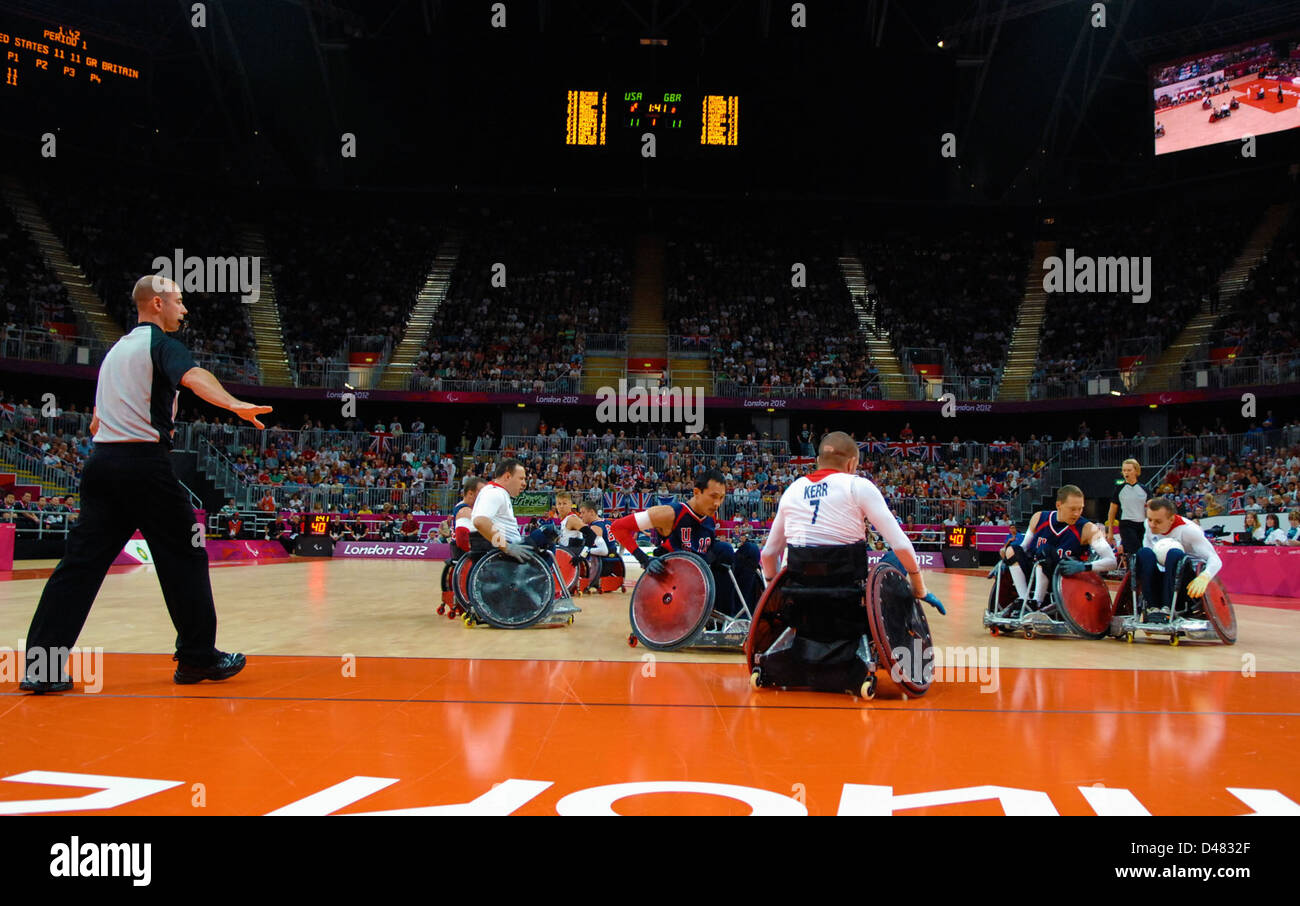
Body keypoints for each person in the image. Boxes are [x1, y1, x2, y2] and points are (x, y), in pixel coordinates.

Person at [20, 275, 272, 693]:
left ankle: (41, 667)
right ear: (157, 304)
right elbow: (193, 376)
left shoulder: (115, 353)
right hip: (144, 465)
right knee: (187, 556)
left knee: (79, 567)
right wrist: (233, 403)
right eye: (179, 301)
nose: (184, 309)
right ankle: (196, 659)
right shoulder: (161, 346)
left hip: (102, 464)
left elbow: (98, 421)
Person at [760, 432, 944, 611]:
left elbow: (768, 554)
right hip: (849, 598)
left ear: (818, 461)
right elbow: (902, 546)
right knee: (897, 558)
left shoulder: (792, 490)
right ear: (852, 463)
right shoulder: (858, 486)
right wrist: (920, 589)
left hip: (800, 597)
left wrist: (774, 592)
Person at [610, 468, 754, 617]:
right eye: (713, 496)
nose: (718, 503)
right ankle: (724, 617)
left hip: (702, 574)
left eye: (722, 497)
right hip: (676, 579)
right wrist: (644, 560)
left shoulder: (710, 517)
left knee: (750, 551)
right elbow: (618, 527)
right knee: (724, 549)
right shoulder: (669, 513)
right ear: (697, 492)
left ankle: (740, 618)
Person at [1001, 484, 1116, 610]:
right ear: (1058, 505)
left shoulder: (1088, 528)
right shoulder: (1039, 518)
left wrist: (1085, 566)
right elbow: (1023, 547)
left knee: (1044, 551)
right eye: (1072, 509)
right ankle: (1025, 601)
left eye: (1080, 509)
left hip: (1062, 578)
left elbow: (1112, 561)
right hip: (1032, 575)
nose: (1077, 513)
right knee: (1012, 549)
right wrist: (1007, 557)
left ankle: (1037, 602)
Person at [1137, 497, 1222, 618]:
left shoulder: (1189, 530)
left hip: (1185, 580)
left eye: (1158, 521)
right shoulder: (1149, 525)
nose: (1152, 525)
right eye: (1150, 519)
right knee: (1144, 553)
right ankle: (1152, 607)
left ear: (1171, 519)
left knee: (1174, 554)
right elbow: (1149, 551)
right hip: (1162, 574)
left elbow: (1215, 559)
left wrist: (1205, 576)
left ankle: (1168, 608)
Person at [1106, 458, 1149, 562]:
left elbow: (1150, 509)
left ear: (1136, 471)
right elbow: (1112, 511)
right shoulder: (1119, 489)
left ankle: (1136, 573)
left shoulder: (1144, 489)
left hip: (1142, 524)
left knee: (1142, 550)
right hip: (1127, 524)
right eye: (1124, 470)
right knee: (1135, 550)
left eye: (1129, 470)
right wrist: (1110, 531)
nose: (1126, 473)